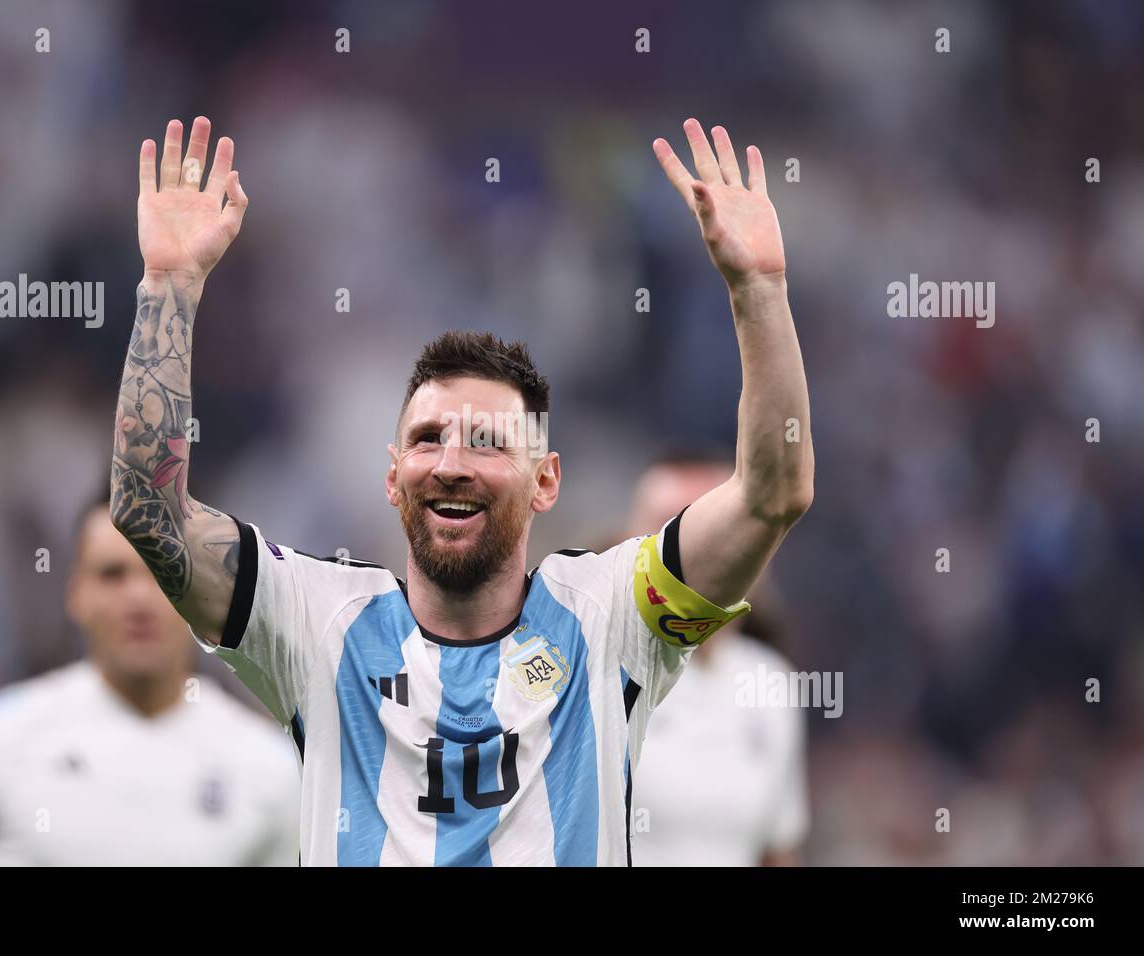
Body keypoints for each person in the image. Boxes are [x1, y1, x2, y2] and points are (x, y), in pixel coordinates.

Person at [110, 115, 813, 865]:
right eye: (426, 439)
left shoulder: (612, 615)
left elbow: (772, 496)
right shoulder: (316, 621)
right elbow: (148, 514)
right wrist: (170, 287)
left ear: (545, 482)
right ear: (391, 476)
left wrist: (758, 291)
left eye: (486, 443)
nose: (450, 462)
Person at [0, 494, 301, 866]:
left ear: (206, 592)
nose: (139, 600)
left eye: (164, 573)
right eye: (112, 574)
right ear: (76, 593)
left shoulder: (271, 769)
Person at [624, 455, 808, 866]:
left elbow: (777, 850)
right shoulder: (588, 665)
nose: (696, 552)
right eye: (671, 529)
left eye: (723, 530)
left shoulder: (771, 681)